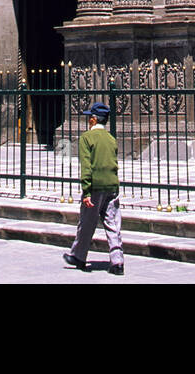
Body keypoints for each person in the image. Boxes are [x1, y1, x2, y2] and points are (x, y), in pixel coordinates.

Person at [63, 102, 124, 275]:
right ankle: (117, 261)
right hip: (112, 185)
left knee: (87, 222)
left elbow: (86, 167)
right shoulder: (111, 138)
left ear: (93, 119)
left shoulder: (87, 138)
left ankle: (78, 256)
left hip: (95, 187)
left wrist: (86, 191)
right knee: (113, 223)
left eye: (90, 117)